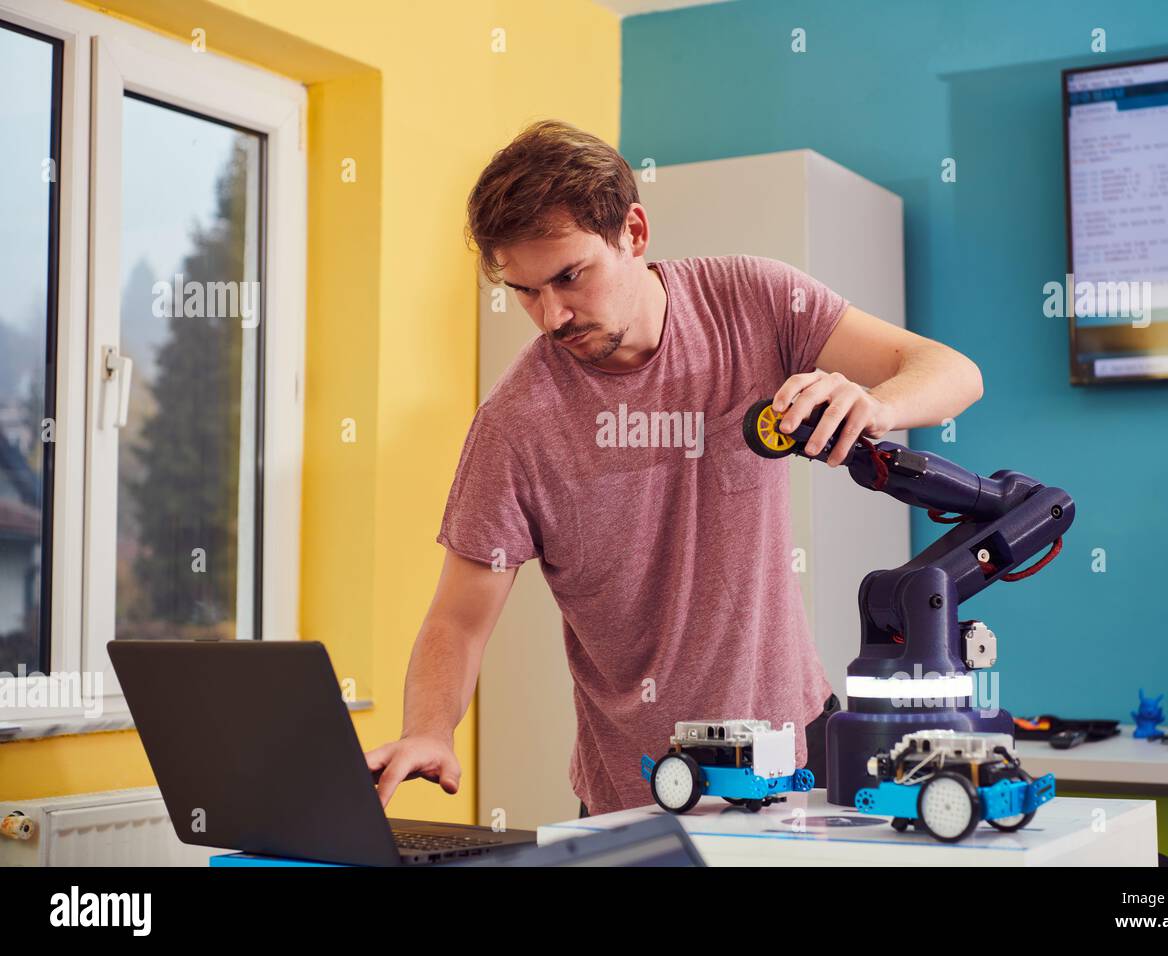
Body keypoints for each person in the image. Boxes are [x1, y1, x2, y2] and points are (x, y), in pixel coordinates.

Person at [364, 119, 984, 817]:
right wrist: (428, 729)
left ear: (632, 231)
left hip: (798, 752)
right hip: (638, 789)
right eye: (525, 291)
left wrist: (872, 404)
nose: (551, 317)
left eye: (569, 276)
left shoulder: (754, 300)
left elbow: (950, 371)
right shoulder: (515, 424)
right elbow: (458, 618)